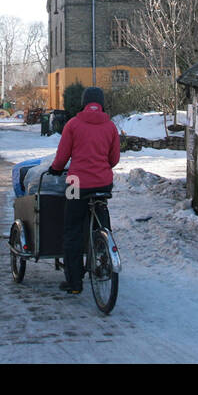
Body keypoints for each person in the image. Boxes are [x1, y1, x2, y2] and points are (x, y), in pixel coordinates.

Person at [48, 86, 119, 294]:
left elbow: (62, 157)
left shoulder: (73, 124)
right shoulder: (111, 127)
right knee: (101, 220)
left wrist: (55, 169)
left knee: (72, 229)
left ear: (84, 102)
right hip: (103, 183)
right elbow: (114, 159)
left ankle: (74, 282)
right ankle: (104, 248)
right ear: (102, 103)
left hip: (76, 183)